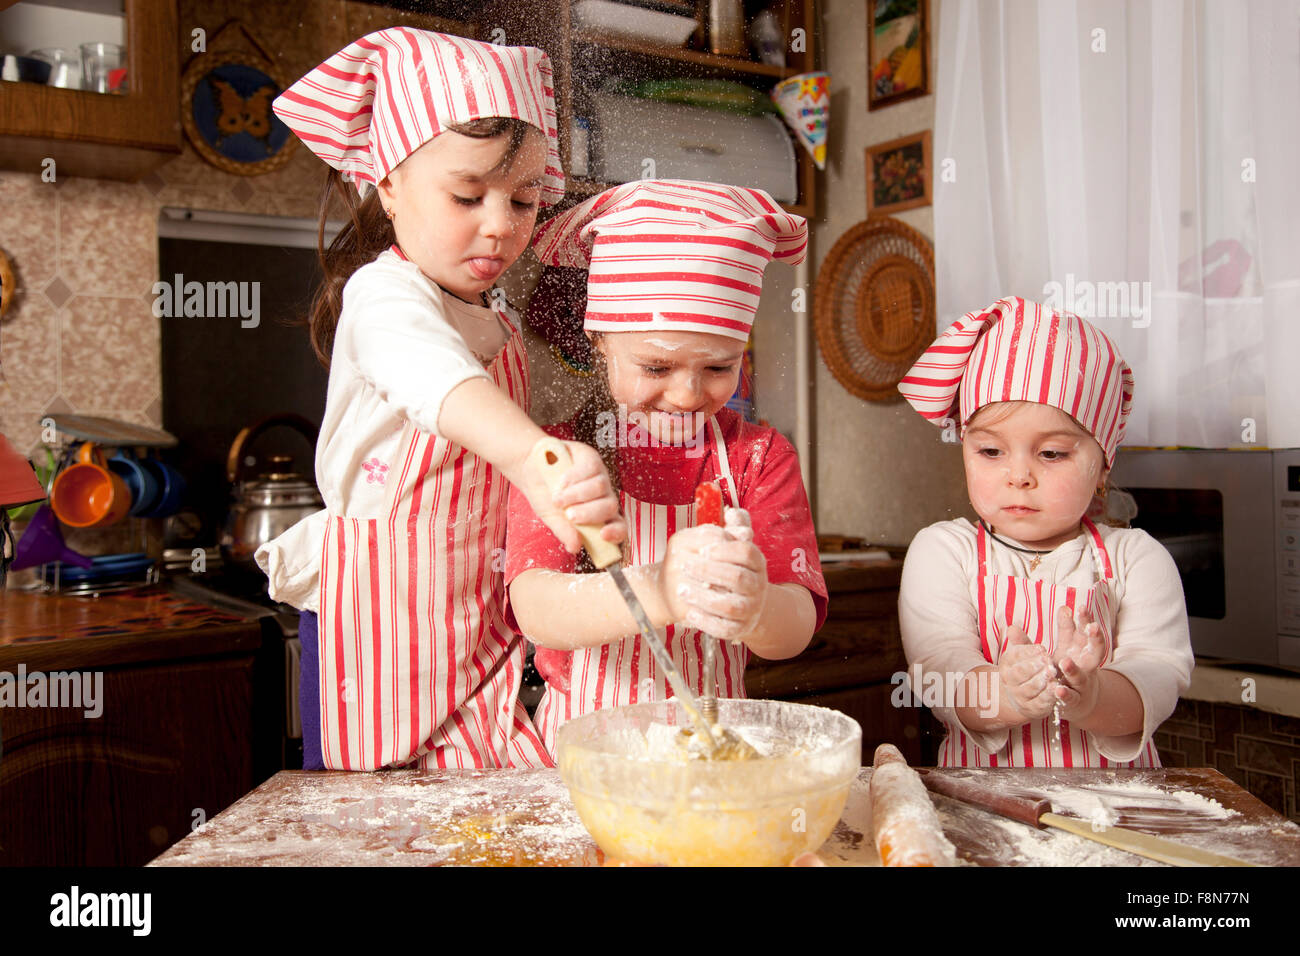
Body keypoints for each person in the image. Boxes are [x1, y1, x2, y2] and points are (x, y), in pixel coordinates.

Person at [255, 28, 624, 771]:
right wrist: (532, 457)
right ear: (387, 185)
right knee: (386, 832)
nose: (501, 222)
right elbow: (435, 379)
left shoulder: (502, 317)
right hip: (382, 650)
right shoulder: (382, 296)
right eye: (467, 194)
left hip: (481, 641)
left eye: (523, 199)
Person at [503, 180, 827, 754]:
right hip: (579, 762)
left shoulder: (760, 458)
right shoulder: (557, 455)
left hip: (710, 756)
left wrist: (755, 608)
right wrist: (663, 589)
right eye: (655, 367)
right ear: (599, 344)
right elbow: (537, 611)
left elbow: (795, 628)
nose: (686, 394)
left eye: (719, 367)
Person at [897, 296, 1193, 767]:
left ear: (1102, 465)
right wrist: (1011, 697)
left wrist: (1091, 696)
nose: (1019, 476)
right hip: (980, 811)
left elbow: (1158, 675)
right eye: (991, 451)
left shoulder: (1137, 558)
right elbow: (940, 671)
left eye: (1051, 454)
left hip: (1119, 812)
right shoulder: (943, 552)